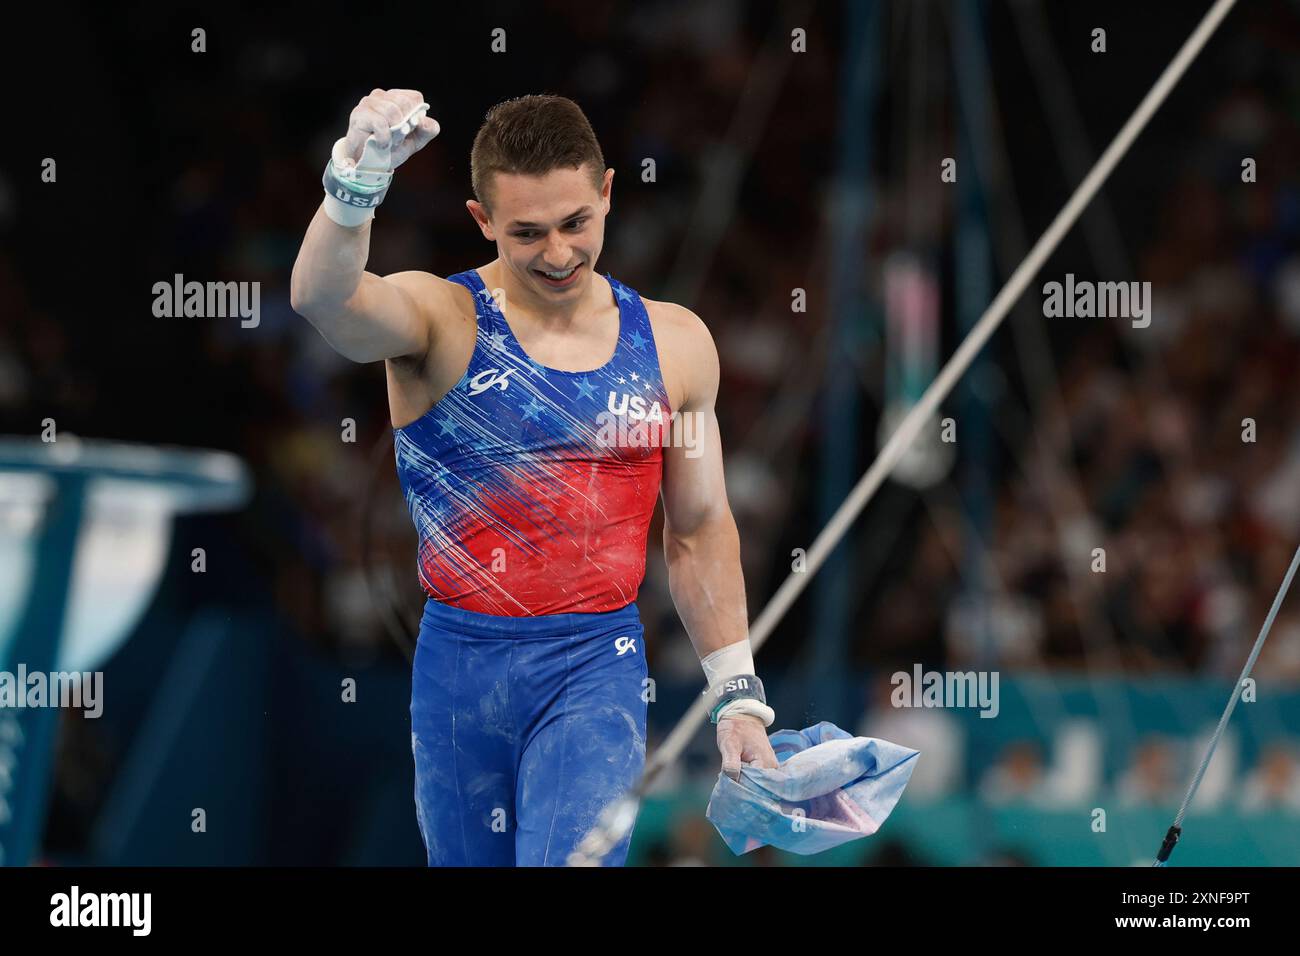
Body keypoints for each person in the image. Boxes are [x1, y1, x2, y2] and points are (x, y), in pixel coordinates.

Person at [291, 89, 777, 866]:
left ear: (608, 192)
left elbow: (698, 526)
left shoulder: (677, 344)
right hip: (459, 670)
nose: (557, 254)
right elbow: (323, 299)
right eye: (526, 233)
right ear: (483, 220)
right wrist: (355, 182)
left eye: (575, 223)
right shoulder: (440, 320)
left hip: (597, 666)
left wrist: (736, 694)